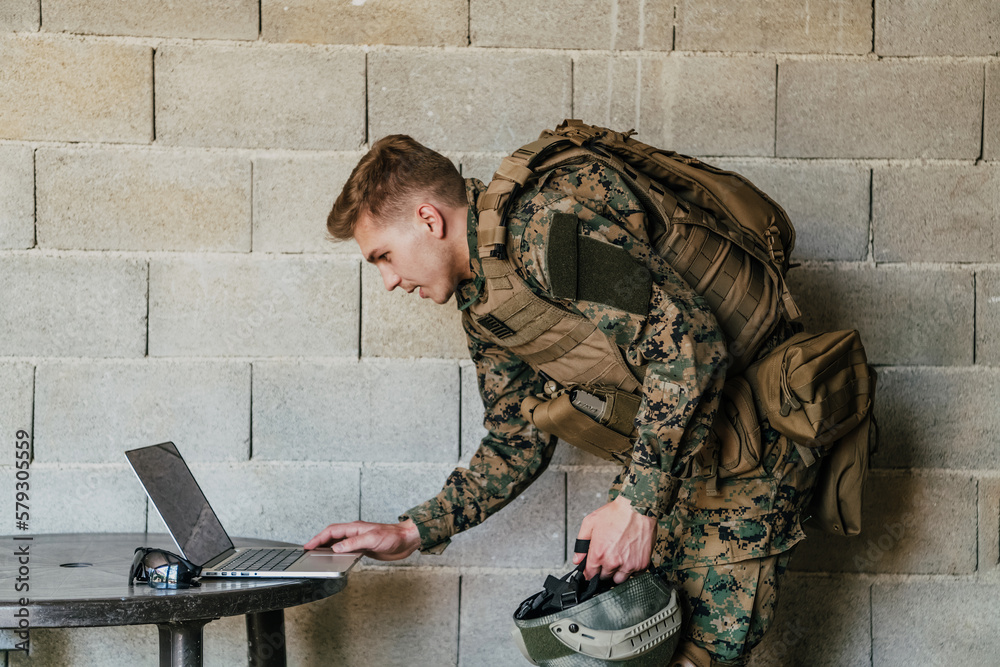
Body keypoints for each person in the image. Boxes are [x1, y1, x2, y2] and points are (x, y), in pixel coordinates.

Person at [306, 132, 820, 667]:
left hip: (757, 437)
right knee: (650, 648)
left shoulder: (547, 232)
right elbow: (516, 441)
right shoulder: (486, 305)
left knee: (698, 656)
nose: (388, 281)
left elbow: (686, 343)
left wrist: (636, 505)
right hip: (682, 463)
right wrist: (415, 529)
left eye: (384, 256)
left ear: (428, 220)